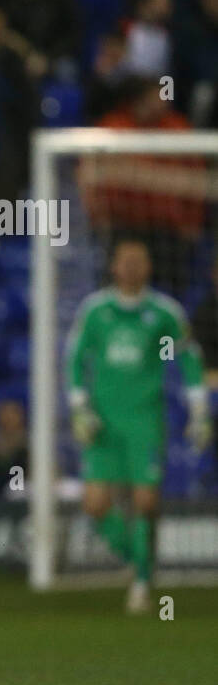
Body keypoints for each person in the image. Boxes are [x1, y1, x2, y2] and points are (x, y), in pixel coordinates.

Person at [66, 239, 209, 613]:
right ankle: (138, 557)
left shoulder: (163, 314)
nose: (130, 266)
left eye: (138, 260)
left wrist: (198, 411)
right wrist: (79, 407)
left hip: (145, 419)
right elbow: (76, 358)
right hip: (103, 420)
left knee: (145, 502)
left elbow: (187, 357)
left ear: (148, 267)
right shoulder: (97, 311)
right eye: (124, 260)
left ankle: (142, 584)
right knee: (96, 504)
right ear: (113, 266)